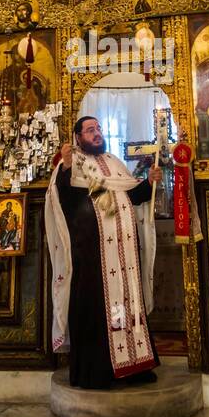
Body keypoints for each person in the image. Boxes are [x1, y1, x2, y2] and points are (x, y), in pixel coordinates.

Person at [45, 116, 159, 389]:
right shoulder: (73, 164)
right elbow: (64, 201)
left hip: (123, 255)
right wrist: (68, 166)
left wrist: (147, 183)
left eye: (98, 129)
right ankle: (96, 372)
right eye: (90, 130)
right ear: (78, 137)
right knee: (96, 310)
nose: (97, 134)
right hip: (92, 258)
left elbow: (127, 197)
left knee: (126, 308)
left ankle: (134, 367)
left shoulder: (113, 162)